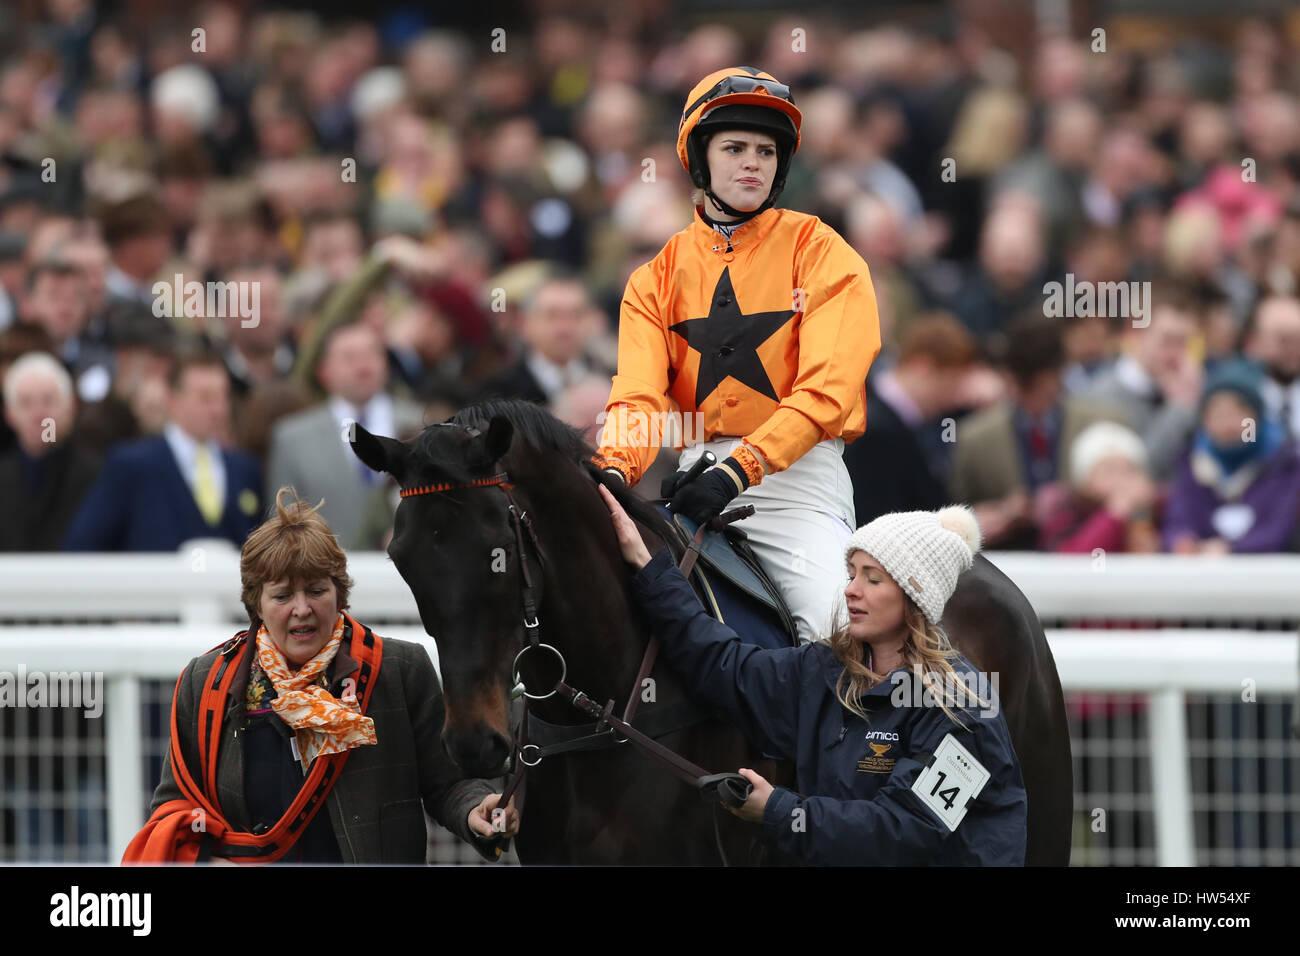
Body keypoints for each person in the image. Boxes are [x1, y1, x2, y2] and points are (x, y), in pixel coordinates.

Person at [595, 67, 882, 641]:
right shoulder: (654, 279)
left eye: (766, 151)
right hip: (690, 481)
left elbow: (828, 391)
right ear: (700, 161)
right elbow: (638, 399)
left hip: (795, 487)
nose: (752, 162)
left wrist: (740, 469)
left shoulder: (824, 252)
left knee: (841, 633)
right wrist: (612, 475)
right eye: (734, 148)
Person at [599, 484, 1027, 865]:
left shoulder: (966, 705)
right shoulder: (824, 670)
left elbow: (908, 830)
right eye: (852, 573)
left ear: (915, 598)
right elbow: (725, 667)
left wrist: (778, 811)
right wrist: (649, 566)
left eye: (873, 579)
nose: (850, 590)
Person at [125, 488, 519, 863]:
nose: (302, 609)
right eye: (282, 596)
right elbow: (175, 804)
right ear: (256, 604)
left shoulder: (400, 668)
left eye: (316, 590)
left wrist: (476, 810)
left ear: (339, 592)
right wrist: (210, 862)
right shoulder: (207, 681)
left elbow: (448, 783)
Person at [61, 350, 263, 552]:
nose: (218, 408)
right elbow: (85, 544)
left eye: (223, 397)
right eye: (205, 397)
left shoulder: (244, 470)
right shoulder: (131, 467)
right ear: (173, 400)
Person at [1164, 358, 1300, 554]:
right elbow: (1178, 521)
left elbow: (1279, 530)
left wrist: (1231, 549)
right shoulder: (1191, 462)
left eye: (1237, 413)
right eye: (1217, 414)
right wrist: (1182, 542)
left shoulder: (1285, 463)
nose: (1228, 424)